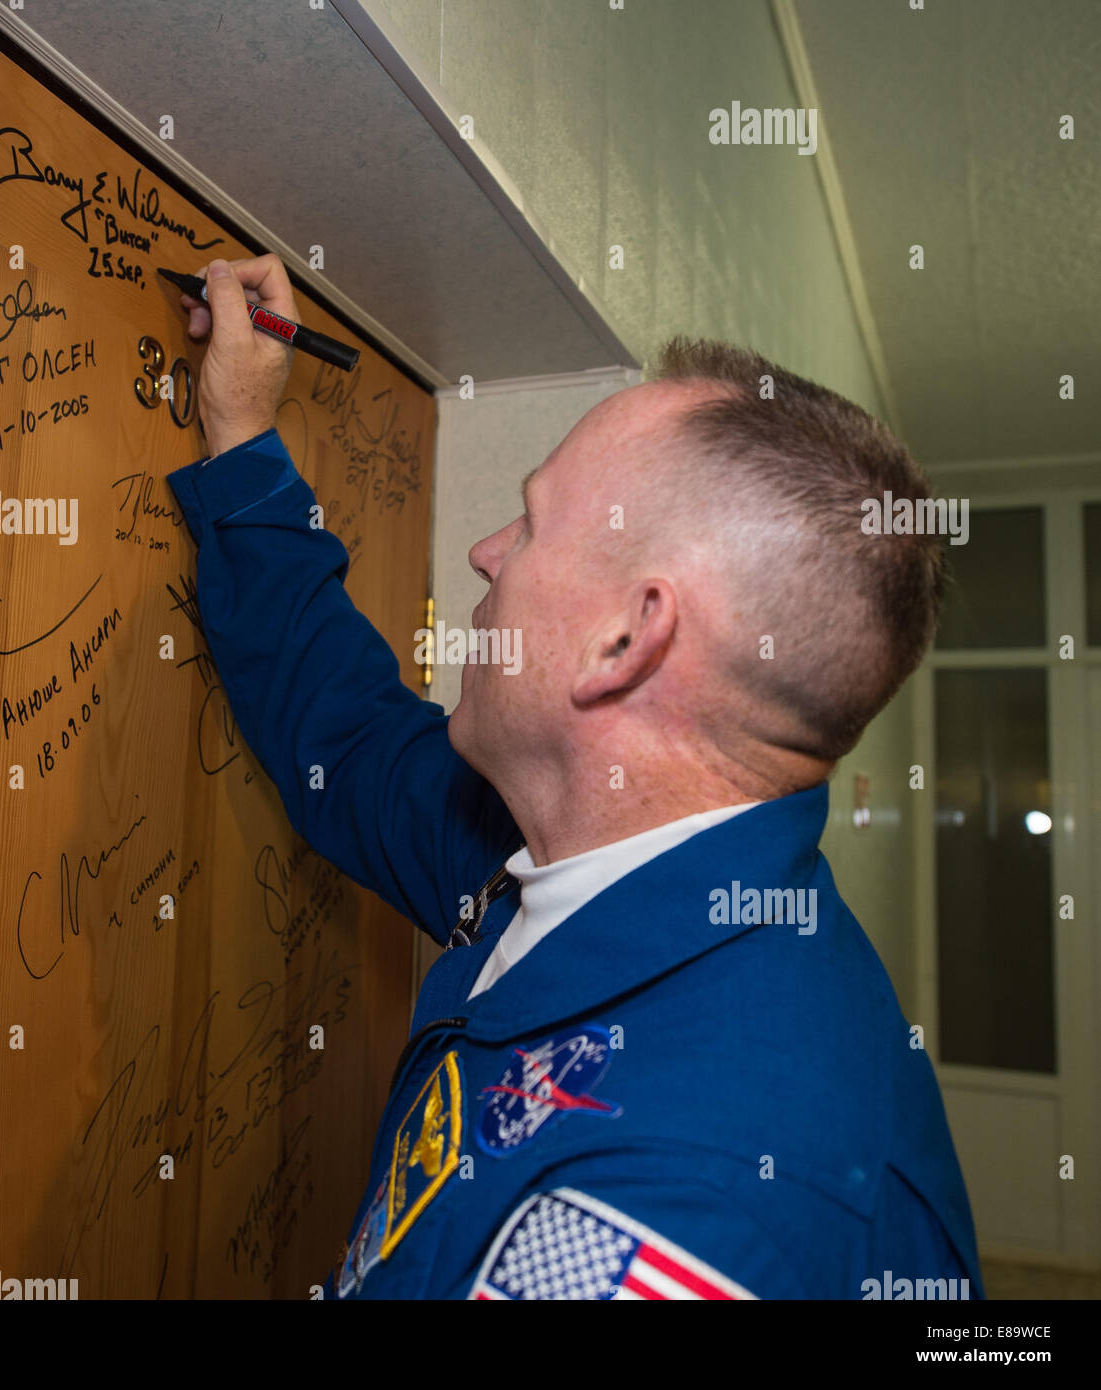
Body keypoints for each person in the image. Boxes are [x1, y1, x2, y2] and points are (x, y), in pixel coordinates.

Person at [166, 254, 982, 1301]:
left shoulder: (692, 1205)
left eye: (532, 521)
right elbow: (351, 740)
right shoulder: (591, 867)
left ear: (624, 637)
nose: (483, 550)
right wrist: (240, 438)